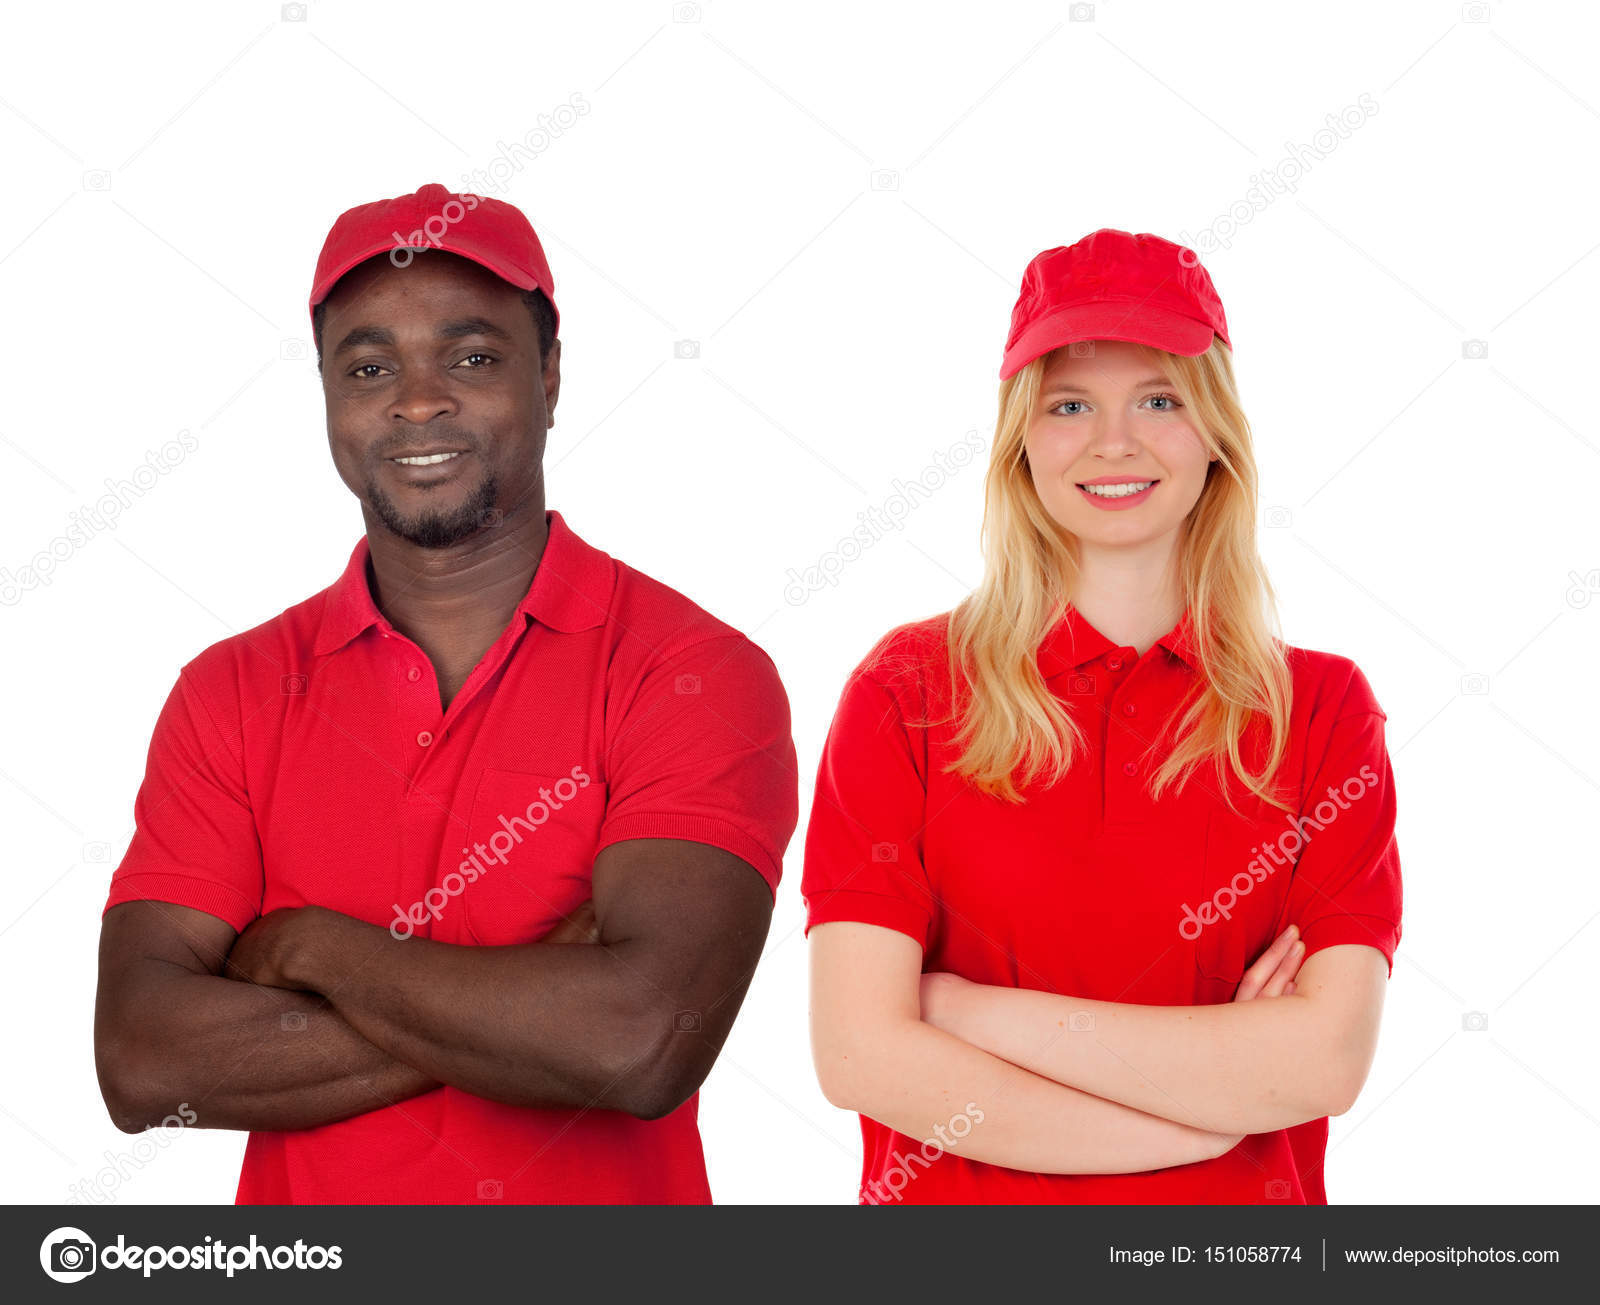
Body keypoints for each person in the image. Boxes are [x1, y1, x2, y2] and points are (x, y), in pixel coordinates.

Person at [94, 182, 798, 1204]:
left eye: (471, 359)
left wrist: (311, 947)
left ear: (549, 378)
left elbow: (644, 1041)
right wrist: (535, 1006)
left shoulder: (689, 672)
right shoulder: (231, 692)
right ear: (330, 395)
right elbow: (145, 1064)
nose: (416, 401)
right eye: (370, 365)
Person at [802, 229, 1402, 1204]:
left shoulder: (1322, 712)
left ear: (1213, 431)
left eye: (1158, 400)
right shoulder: (905, 691)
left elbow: (1324, 1064)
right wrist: (1210, 1118)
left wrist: (965, 1014)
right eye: (1069, 405)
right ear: (1021, 442)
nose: (1112, 441)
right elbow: (861, 1056)